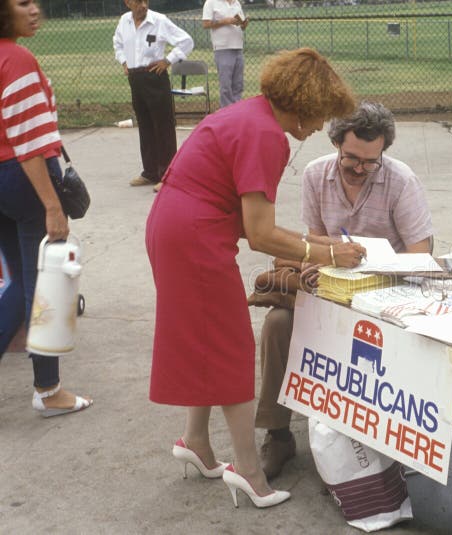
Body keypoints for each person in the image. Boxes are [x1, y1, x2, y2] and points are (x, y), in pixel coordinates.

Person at [145, 47, 364, 509]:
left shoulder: (249, 115)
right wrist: (322, 251)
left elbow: (255, 228)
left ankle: (195, 442)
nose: (320, 126)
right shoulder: (269, 135)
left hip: (174, 226)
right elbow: (259, 234)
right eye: (321, 114)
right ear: (305, 104)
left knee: (206, 341)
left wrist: (327, 249)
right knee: (231, 348)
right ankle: (249, 472)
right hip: (196, 240)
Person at [253, 101, 434, 479]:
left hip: (387, 296)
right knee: (277, 325)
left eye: (371, 161)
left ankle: (375, 444)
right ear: (336, 143)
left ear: (383, 152)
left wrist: (370, 271)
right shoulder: (316, 174)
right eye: (351, 158)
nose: (359, 169)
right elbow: (312, 241)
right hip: (331, 288)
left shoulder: (401, 180)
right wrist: (318, 264)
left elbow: (421, 254)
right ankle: (279, 433)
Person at [0, 0, 92, 417]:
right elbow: (29, 142)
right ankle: (48, 390)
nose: (35, 10)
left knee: (17, 280)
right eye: (23, 3)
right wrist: (52, 205)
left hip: (4, 182)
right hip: (23, 180)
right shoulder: (15, 58)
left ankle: (37, 367)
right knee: (40, 284)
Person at [113, 0, 194, 192]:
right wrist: (124, 61)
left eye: (145, 0)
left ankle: (167, 176)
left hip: (154, 77)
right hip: (135, 78)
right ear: (127, 3)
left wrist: (168, 60)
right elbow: (117, 44)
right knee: (145, 125)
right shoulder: (124, 21)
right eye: (138, 1)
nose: (143, 5)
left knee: (163, 127)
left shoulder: (159, 21)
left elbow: (186, 41)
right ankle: (150, 172)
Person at [202, 0, 248, 108]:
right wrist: (225, 21)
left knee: (238, 84)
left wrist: (244, 24)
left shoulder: (236, 3)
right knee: (226, 85)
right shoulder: (211, 2)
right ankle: (227, 112)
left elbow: (241, 26)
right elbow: (205, 24)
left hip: (238, 46)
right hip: (223, 47)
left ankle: (236, 110)